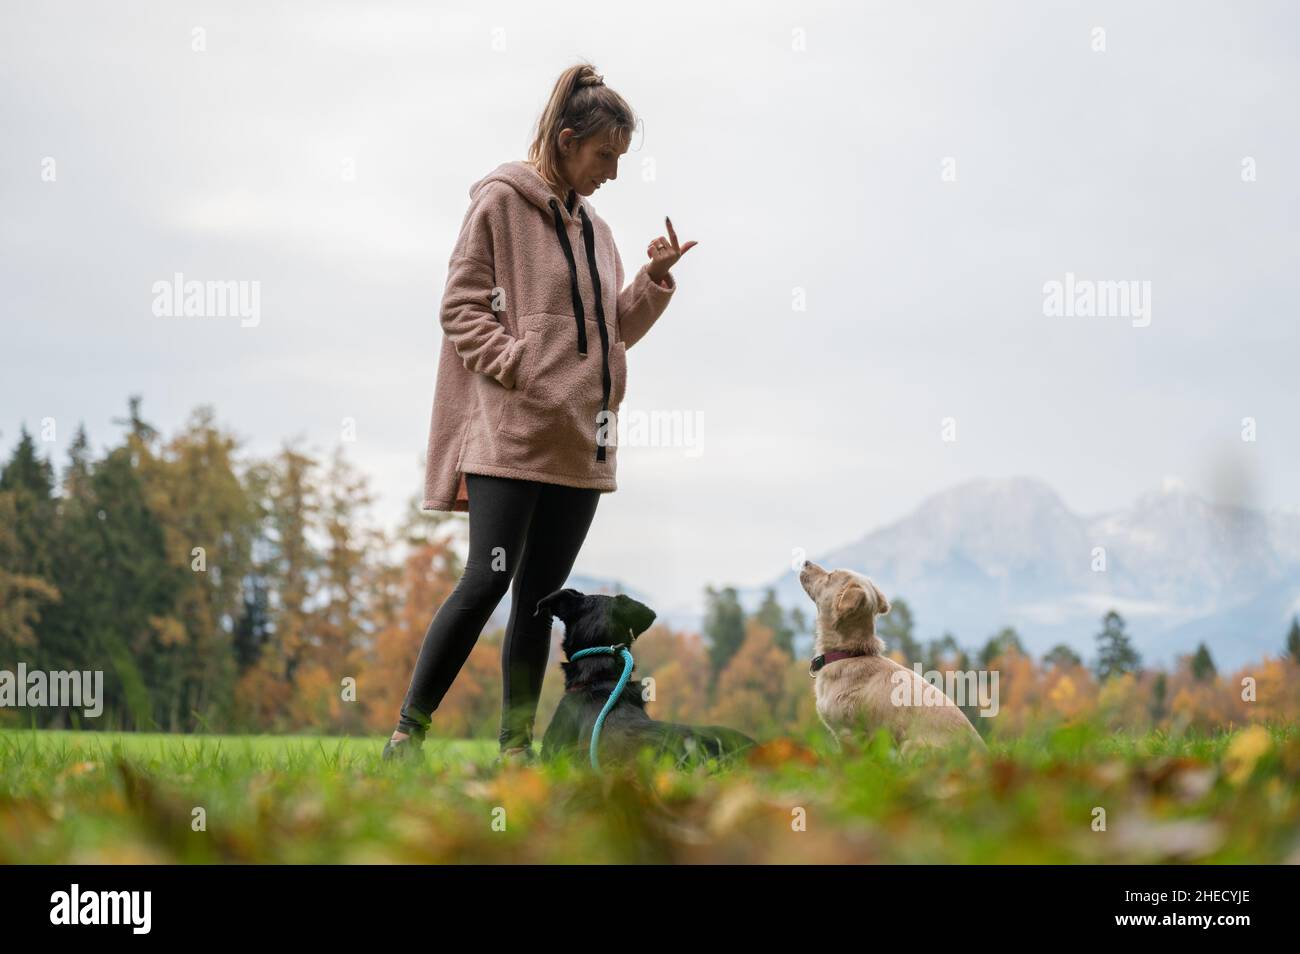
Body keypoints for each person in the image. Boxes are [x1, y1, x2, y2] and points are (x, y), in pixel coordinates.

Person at [385, 62, 696, 764]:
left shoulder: (600, 231)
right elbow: (460, 309)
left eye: (619, 158)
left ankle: (515, 752)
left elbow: (609, 330)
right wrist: (525, 370)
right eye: (603, 155)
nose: (612, 171)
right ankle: (409, 731)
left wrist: (653, 281)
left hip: (580, 444)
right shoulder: (500, 205)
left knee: (537, 600)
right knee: (487, 579)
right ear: (565, 140)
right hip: (514, 436)